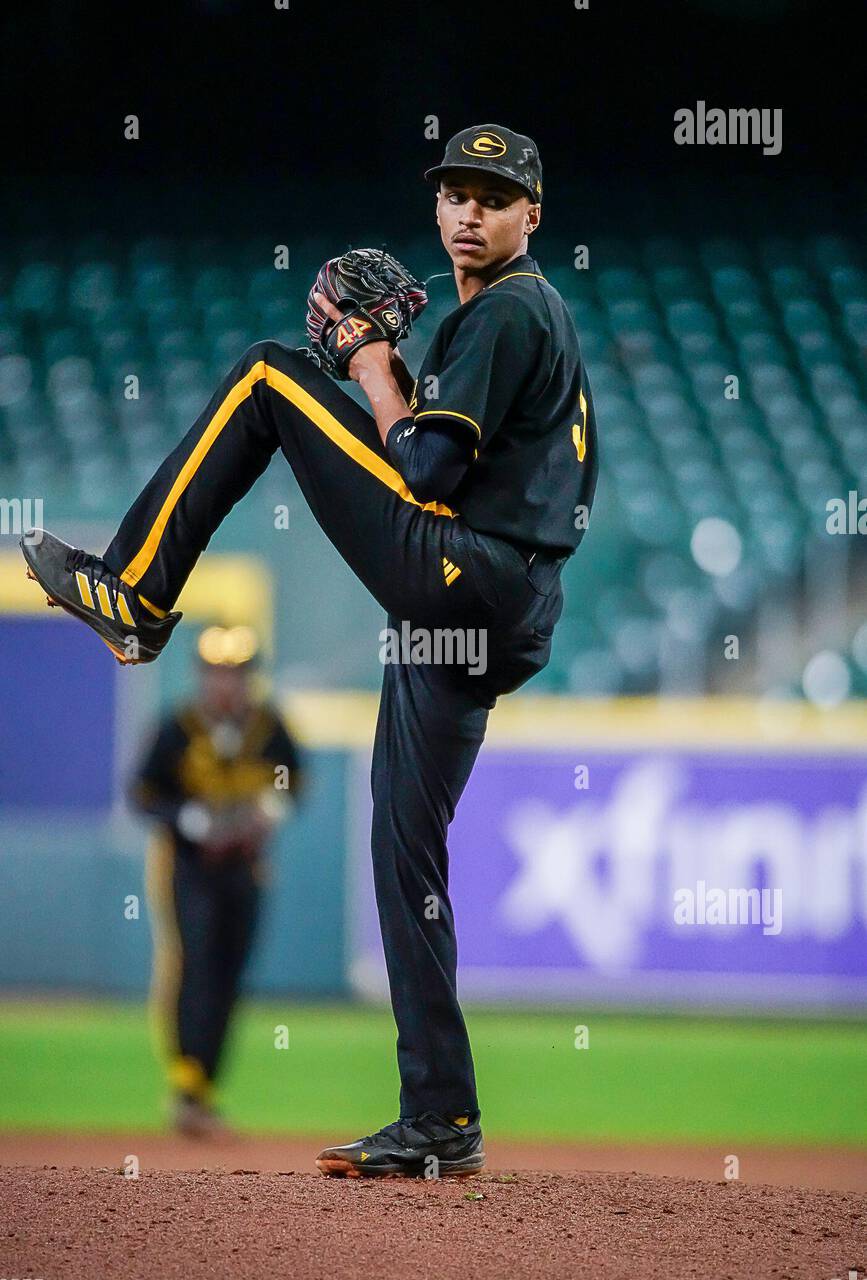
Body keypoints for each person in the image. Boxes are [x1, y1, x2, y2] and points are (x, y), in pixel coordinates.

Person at [22, 122, 598, 1176]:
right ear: (437, 208)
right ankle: (442, 1114)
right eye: (455, 192)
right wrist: (400, 381)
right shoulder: (512, 317)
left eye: (493, 194)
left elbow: (423, 469)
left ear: (532, 216)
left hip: (469, 572)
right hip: (490, 609)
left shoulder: (511, 309)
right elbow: (454, 466)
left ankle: (138, 592)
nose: (468, 210)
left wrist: (374, 364)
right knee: (403, 849)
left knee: (271, 377)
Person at [131, 624, 303, 1136]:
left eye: (237, 674)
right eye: (217, 674)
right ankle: (187, 1085)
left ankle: (202, 1089)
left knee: (230, 973)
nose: (227, 685)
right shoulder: (179, 727)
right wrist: (190, 819)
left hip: (246, 868)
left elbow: (293, 781)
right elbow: (144, 792)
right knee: (196, 962)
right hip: (189, 866)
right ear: (203, 677)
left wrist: (265, 814)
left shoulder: (269, 727)